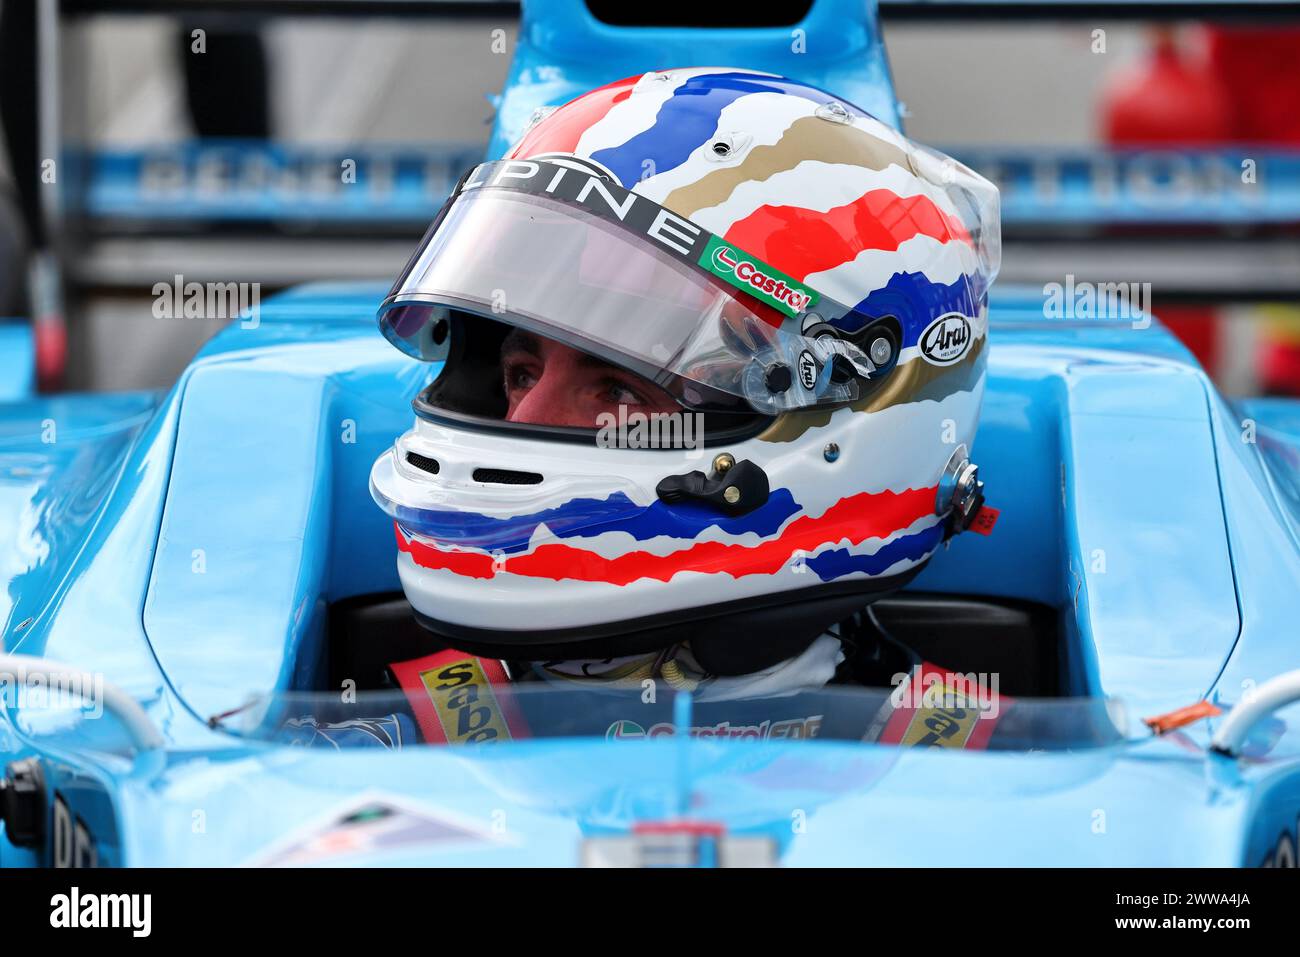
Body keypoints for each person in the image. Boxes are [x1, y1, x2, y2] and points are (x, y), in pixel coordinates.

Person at [348, 68, 1001, 747]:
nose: (519, 422)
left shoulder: (993, 792)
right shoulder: (382, 753)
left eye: (618, 391)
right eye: (518, 372)